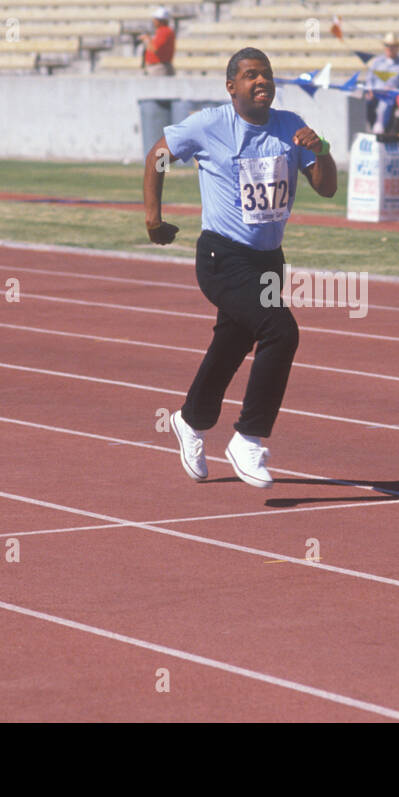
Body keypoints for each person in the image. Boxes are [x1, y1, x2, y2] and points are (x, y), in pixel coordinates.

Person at [141, 48, 337, 487]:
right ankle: (248, 438)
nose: (261, 81)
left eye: (266, 74)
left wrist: (320, 151)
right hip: (222, 257)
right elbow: (158, 154)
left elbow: (326, 189)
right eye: (250, 76)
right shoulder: (210, 124)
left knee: (233, 342)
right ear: (232, 87)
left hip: (269, 260)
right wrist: (153, 218)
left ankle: (190, 420)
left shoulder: (290, 125)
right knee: (280, 331)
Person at [364, 32, 399, 133]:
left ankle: (385, 131)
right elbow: (370, 78)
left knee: (389, 105)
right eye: (387, 45)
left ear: (397, 47)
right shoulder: (377, 61)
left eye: (392, 46)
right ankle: (373, 128)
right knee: (369, 104)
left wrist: (395, 90)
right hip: (376, 93)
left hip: (392, 95)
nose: (390, 48)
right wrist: (370, 90)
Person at [141, 7, 176, 76]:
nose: (153, 21)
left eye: (155, 19)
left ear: (161, 21)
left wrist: (147, 40)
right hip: (158, 67)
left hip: (159, 68)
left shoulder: (164, 31)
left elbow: (155, 49)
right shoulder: (162, 31)